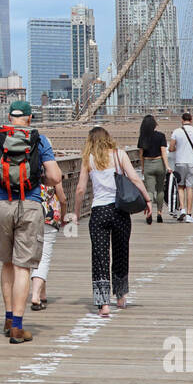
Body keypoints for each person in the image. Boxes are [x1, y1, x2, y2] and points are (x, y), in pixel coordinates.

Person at [0, 101, 61, 344]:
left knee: (7, 263)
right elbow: (55, 177)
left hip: (1, 204)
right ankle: (18, 327)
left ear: (10, 117)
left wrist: (0, 177)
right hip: (30, 204)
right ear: (30, 118)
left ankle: (8, 317)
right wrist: (37, 177)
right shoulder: (39, 139)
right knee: (23, 266)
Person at [72, 125, 151, 318]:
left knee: (100, 257)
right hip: (120, 211)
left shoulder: (88, 159)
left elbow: (81, 189)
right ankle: (121, 296)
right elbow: (135, 179)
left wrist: (75, 213)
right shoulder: (119, 155)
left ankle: (103, 304)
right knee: (121, 252)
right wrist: (147, 200)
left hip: (99, 212)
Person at [27, 178, 67, 311]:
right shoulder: (52, 169)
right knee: (44, 256)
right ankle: (36, 296)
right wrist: (64, 215)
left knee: (36, 254)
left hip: (29, 215)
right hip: (49, 217)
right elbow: (62, 198)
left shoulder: (28, 166)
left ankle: (42, 294)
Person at [168, 112, 193, 223]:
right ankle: (189, 214)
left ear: (182, 120)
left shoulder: (176, 132)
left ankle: (182, 209)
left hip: (179, 163)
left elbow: (171, 148)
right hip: (192, 163)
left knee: (180, 187)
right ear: (191, 120)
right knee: (189, 188)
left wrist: (177, 149)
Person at [137, 114, 172, 224]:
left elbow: (141, 154)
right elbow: (163, 152)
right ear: (154, 124)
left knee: (150, 191)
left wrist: (143, 167)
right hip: (159, 164)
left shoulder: (142, 137)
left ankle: (149, 212)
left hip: (148, 164)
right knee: (160, 189)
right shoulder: (161, 136)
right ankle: (160, 213)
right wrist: (167, 166)